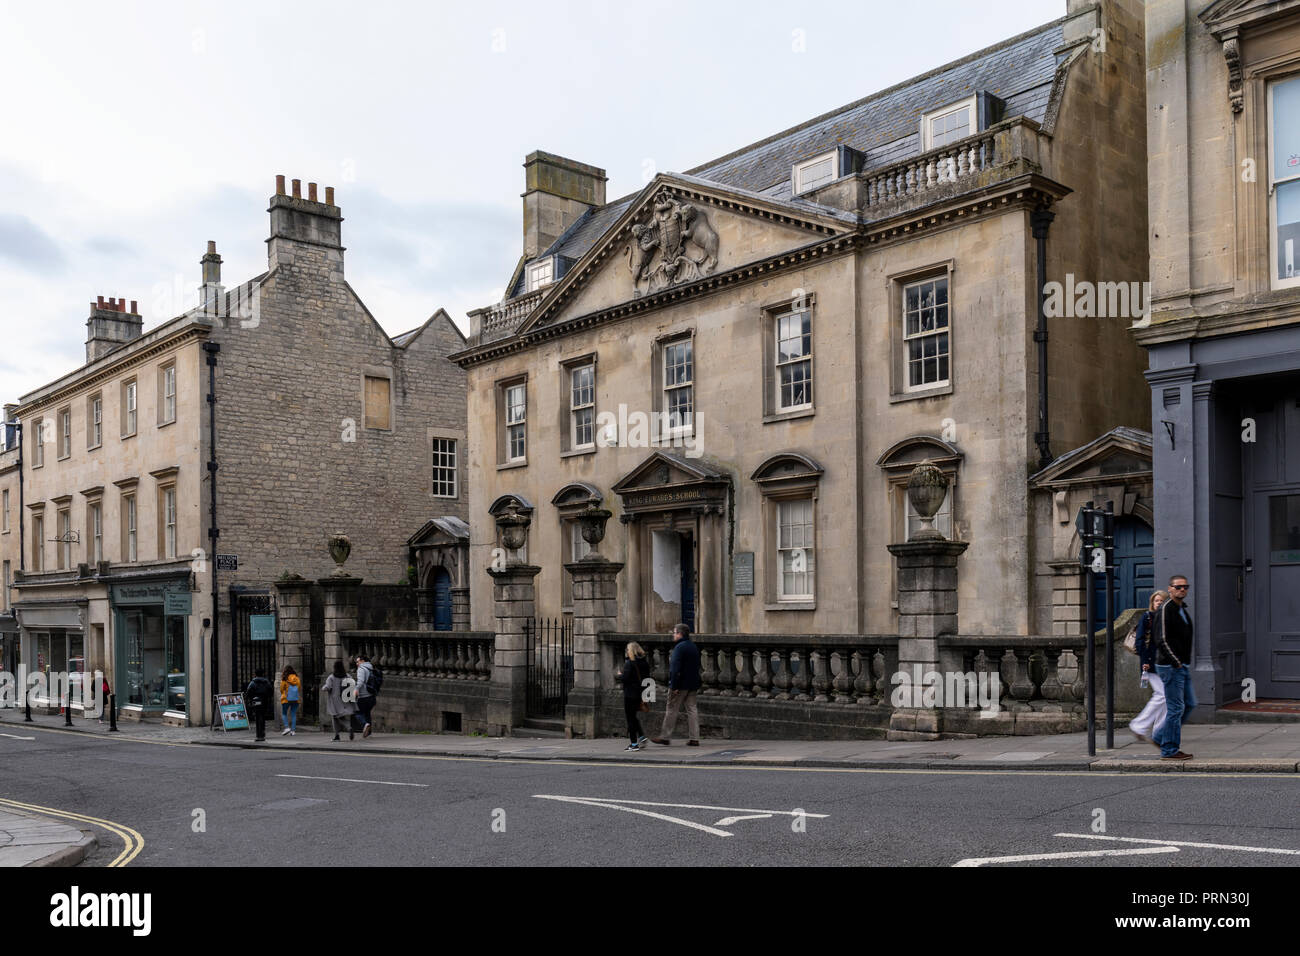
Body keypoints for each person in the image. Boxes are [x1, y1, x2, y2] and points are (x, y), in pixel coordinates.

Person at [1152, 574, 1197, 760]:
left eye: (1185, 587)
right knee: (1176, 707)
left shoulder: (1181, 609)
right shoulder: (1166, 609)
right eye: (1178, 587)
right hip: (1170, 666)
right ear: (1170, 589)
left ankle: (1160, 736)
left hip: (1181, 665)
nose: (1182, 590)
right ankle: (1169, 749)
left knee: (1189, 704)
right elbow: (1161, 639)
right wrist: (1175, 661)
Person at [1128, 590, 1169, 746]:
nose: (1158, 603)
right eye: (1156, 601)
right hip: (1150, 663)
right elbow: (1139, 641)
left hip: (1164, 663)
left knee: (1165, 697)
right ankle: (1139, 725)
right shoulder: (1147, 617)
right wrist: (1145, 661)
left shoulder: (1165, 618)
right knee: (1162, 695)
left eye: (1161, 600)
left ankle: (1158, 731)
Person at [651, 623, 701, 747]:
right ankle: (694, 738)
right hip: (693, 684)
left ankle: (665, 737)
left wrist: (674, 686)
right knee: (692, 710)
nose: (673, 635)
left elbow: (675, 669)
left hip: (680, 684)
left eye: (674, 632)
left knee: (672, 709)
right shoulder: (693, 646)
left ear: (680, 634)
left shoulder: (679, 648)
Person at [620, 642, 652, 751]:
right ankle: (642, 737)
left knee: (630, 719)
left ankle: (633, 744)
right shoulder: (645, 663)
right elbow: (648, 678)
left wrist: (621, 675)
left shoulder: (630, 663)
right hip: (641, 693)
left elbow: (625, 678)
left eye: (627, 650)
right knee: (633, 717)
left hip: (630, 694)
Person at [323, 660, 356, 741]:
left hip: (335, 700)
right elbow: (353, 683)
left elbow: (327, 687)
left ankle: (338, 734)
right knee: (341, 716)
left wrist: (323, 688)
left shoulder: (332, 677)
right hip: (345, 699)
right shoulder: (347, 675)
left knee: (335, 717)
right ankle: (347, 729)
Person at [244, 668, 274, 742]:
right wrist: (268, 697)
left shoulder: (253, 682)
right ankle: (262, 732)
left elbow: (248, 692)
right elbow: (271, 691)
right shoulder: (266, 682)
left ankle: (258, 735)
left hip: (256, 701)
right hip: (264, 700)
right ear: (263, 674)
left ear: (255, 674)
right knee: (263, 717)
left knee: (257, 717)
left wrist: (249, 698)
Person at [354, 654, 376, 738]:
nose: (357, 663)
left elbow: (360, 681)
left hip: (363, 696)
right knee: (367, 713)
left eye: (358, 661)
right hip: (372, 696)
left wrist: (356, 689)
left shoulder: (361, 668)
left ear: (362, 661)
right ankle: (369, 732)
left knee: (357, 712)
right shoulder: (371, 668)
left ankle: (365, 724)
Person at [279, 665, 301, 736]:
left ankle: (287, 727)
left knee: (284, 713)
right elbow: (299, 688)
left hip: (286, 699)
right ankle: (293, 731)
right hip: (295, 699)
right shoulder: (297, 678)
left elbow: (281, 689)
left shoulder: (284, 679)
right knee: (293, 714)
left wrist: (284, 693)